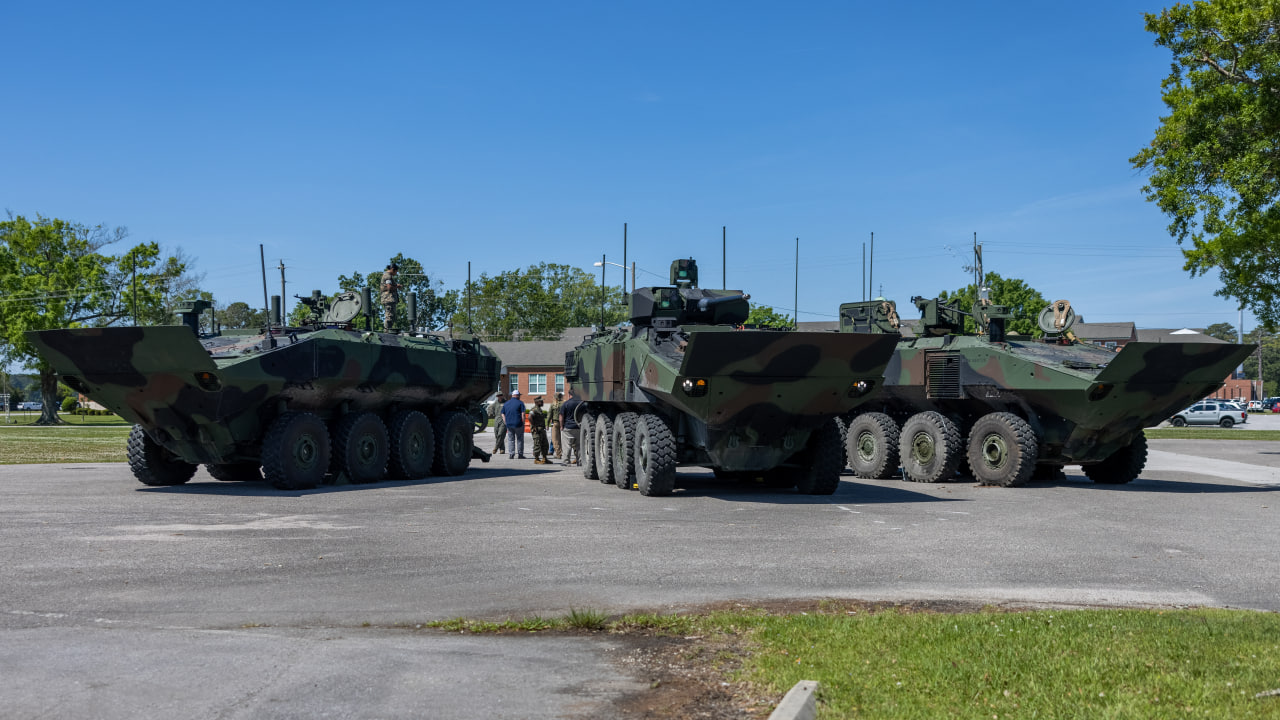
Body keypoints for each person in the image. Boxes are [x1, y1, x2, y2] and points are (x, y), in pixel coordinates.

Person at [559, 387, 582, 466]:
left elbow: (561, 416)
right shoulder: (581, 403)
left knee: (567, 445)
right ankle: (580, 461)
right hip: (579, 427)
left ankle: (566, 461)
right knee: (579, 446)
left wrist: (561, 426)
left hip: (568, 427)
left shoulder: (566, 404)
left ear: (569, 394)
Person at [501, 391, 527, 459]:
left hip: (509, 424)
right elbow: (523, 414)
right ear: (517, 395)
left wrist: (505, 421)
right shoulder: (520, 403)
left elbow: (502, 414)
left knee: (511, 439)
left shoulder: (506, 403)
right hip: (518, 423)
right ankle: (520, 454)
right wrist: (523, 422)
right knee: (520, 439)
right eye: (519, 395)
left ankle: (511, 454)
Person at [380, 262, 400, 331]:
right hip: (389, 299)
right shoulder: (388, 276)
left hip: (388, 299)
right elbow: (389, 287)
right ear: (392, 269)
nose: (396, 273)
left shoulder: (387, 275)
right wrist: (397, 286)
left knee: (391, 316)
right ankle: (387, 331)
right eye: (396, 272)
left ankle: (388, 329)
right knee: (389, 316)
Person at [529, 396, 549, 464]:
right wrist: (534, 426)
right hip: (537, 430)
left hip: (542, 430)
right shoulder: (534, 409)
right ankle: (536, 459)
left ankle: (544, 458)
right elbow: (530, 417)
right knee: (537, 444)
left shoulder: (539, 409)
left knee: (545, 444)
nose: (543, 402)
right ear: (537, 402)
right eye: (541, 401)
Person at [549, 392, 564, 460]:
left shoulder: (553, 405)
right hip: (563, 423)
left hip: (555, 423)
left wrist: (547, 424)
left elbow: (549, 415)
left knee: (555, 440)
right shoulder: (564, 404)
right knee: (564, 439)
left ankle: (558, 454)